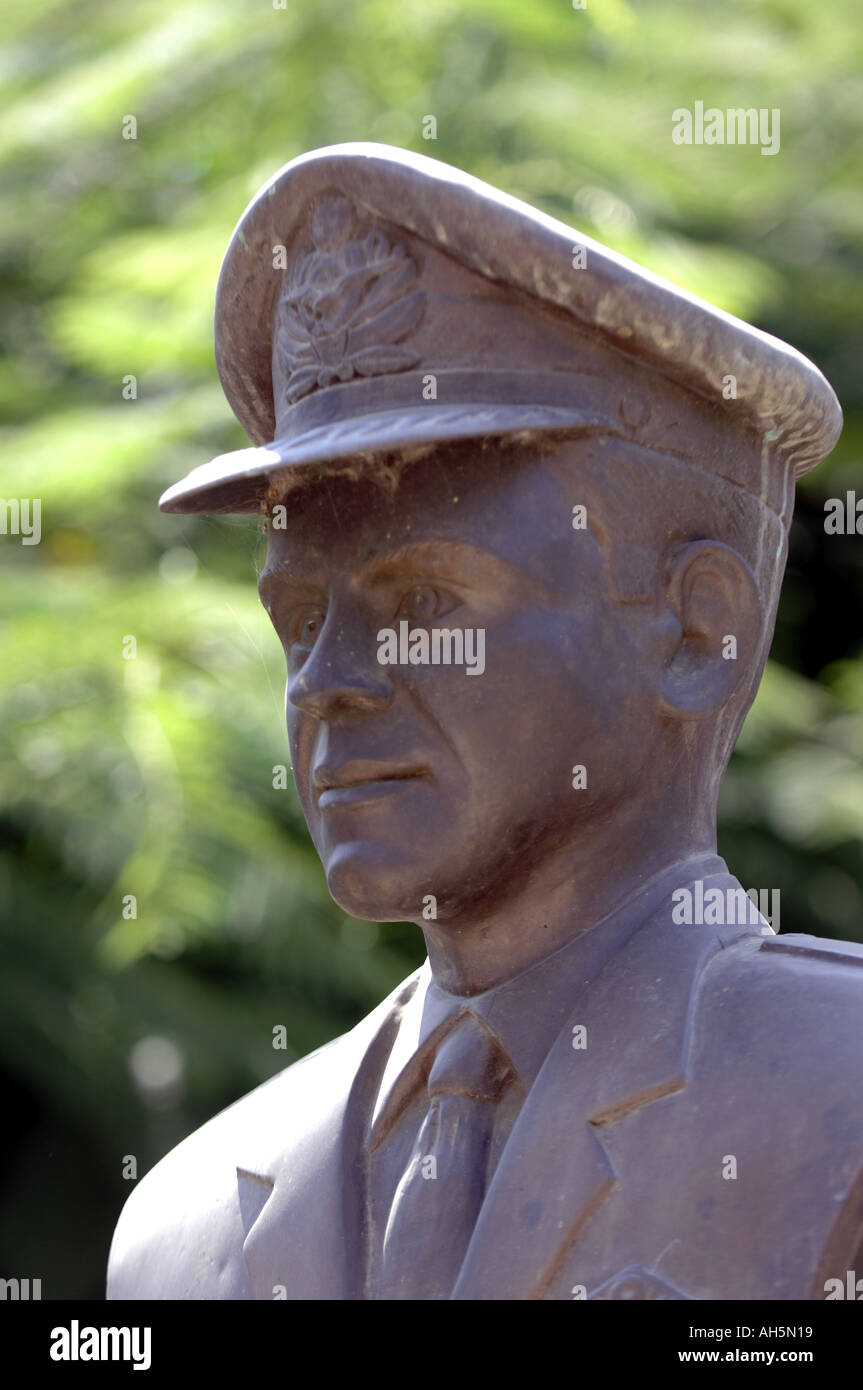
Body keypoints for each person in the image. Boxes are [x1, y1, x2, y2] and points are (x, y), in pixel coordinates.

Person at [107, 144, 863, 1301]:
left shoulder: (836, 1107)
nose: (324, 682)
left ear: (695, 634)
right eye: (299, 616)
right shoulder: (180, 1231)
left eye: (424, 601)